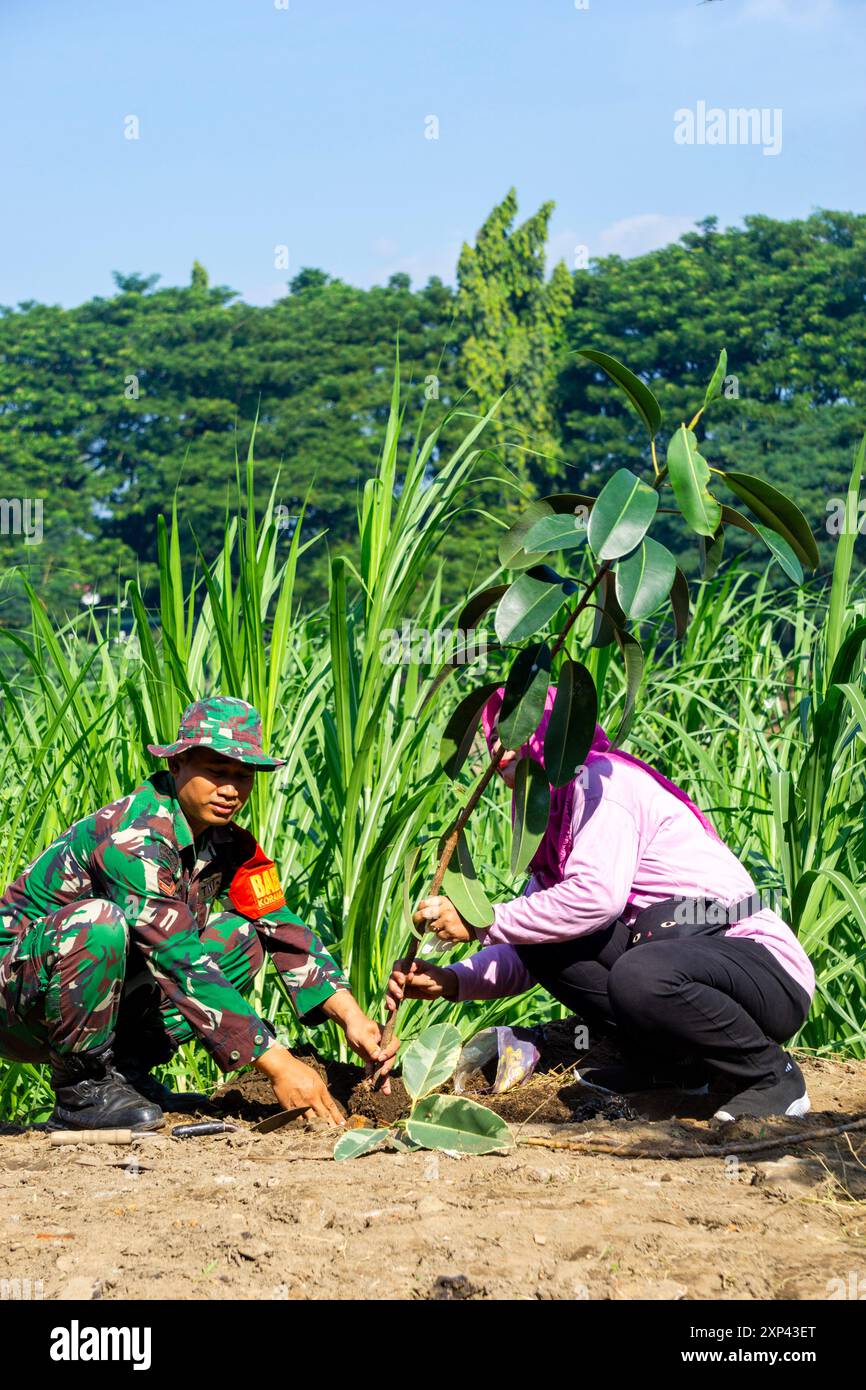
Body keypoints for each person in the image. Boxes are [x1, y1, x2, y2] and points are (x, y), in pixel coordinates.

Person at [387, 685, 815, 1122]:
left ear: (551, 730)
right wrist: (454, 981)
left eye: (514, 732)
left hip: (762, 969)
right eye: (494, 738)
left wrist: (479, 923)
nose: (499, 753)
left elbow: (595, 900)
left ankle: (771, 1077)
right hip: (681, 958)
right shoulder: (551, 823)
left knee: (640, 973)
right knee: (544, 935)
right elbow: (532, 937)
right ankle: (675, 1069)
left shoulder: (602, 783)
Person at [0, 696, 396, 1131]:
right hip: (19, 1002)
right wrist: (279, 1064)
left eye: (243, 776)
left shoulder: (228, 845)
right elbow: (179, 958)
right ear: (178, 765)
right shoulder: (135, 838)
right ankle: (84, 1091)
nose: (230, 790)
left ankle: (124, 1075)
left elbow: (282, 928)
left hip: (92, 1000)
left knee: (239, 937)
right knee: (99, 922)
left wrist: (353, 1018)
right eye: (217, 772)